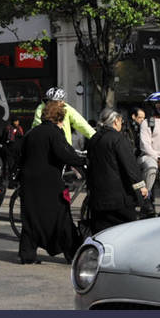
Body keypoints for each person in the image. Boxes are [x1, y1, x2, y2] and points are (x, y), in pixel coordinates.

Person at [17, 99, 87, 265]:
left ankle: (27, 255)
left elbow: (21, 156)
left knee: (31, 218)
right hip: (48, 183)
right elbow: (64, 154)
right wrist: (82, 162)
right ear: (59, 119)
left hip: (29, 182)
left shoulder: (31, 133)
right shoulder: (55, 133)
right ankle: (74, 253)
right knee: (61, 217)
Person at [85, 108, 149, 231]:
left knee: (101, 235)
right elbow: (130, 167)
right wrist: (141, 186)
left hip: (98, 199)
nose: (121, 124)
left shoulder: (93, 139)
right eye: (120, 121)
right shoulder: (118, 139)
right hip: (119, 199)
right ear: (115, 121)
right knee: (126, 232)